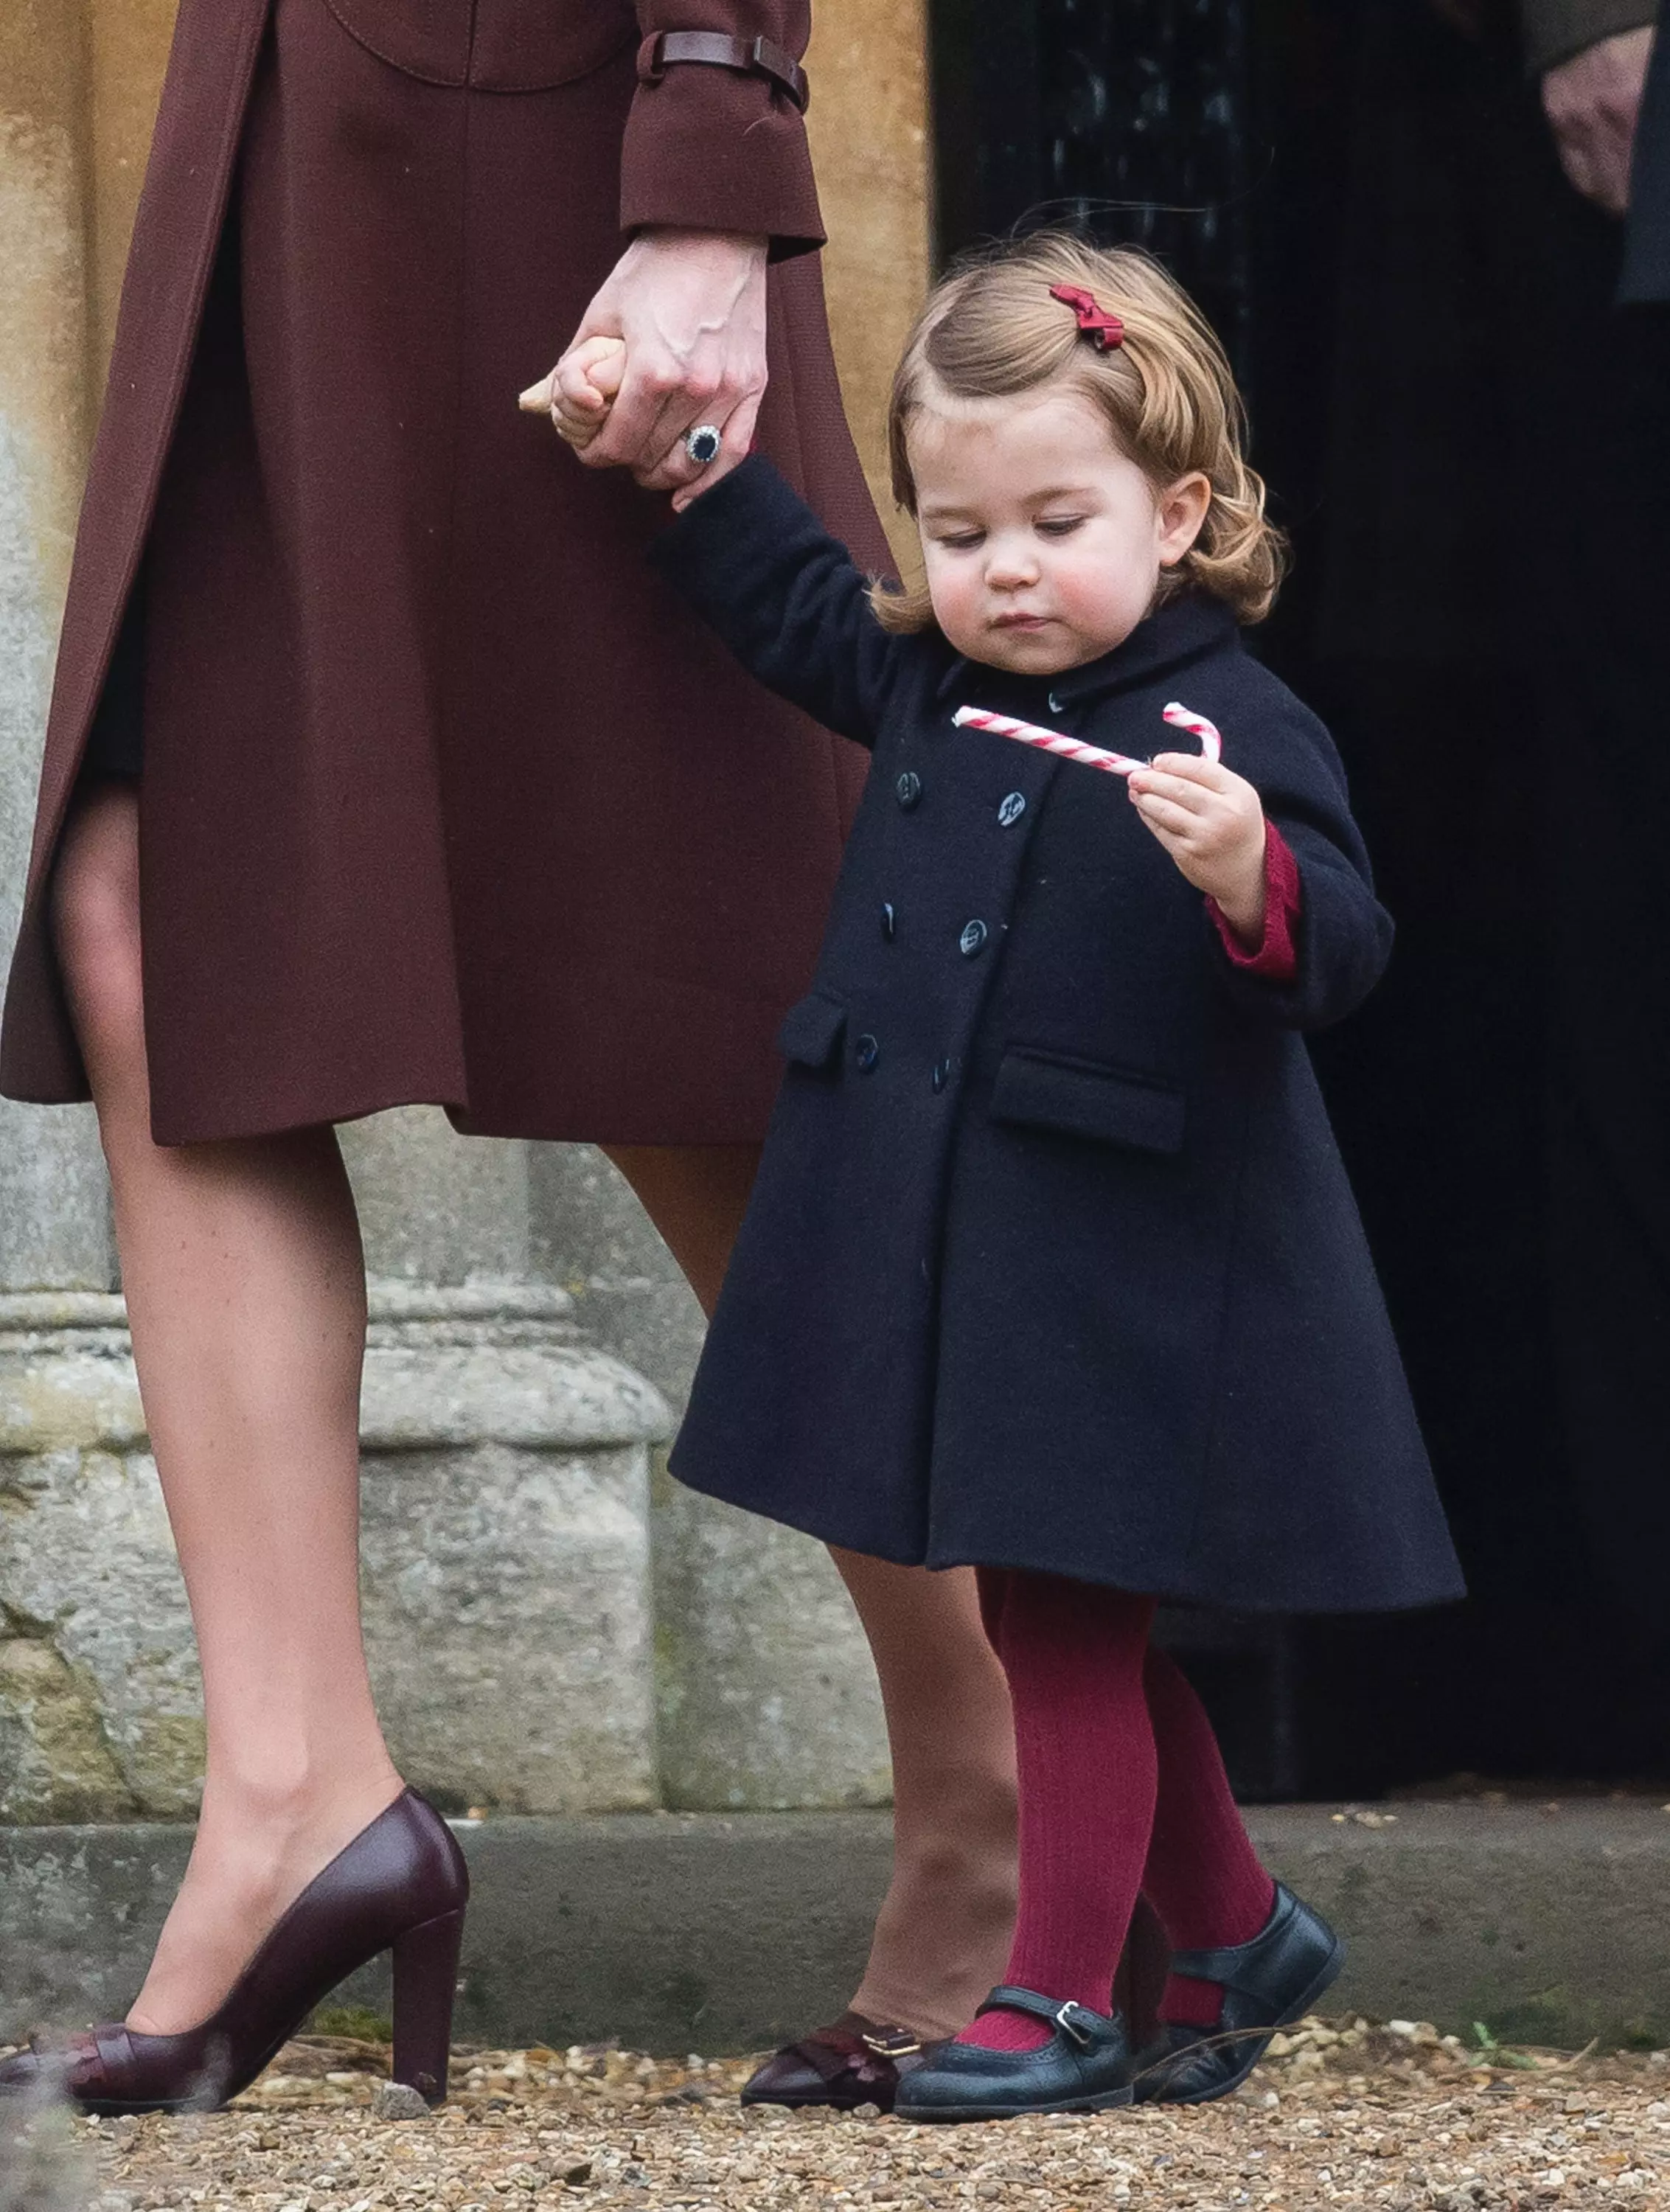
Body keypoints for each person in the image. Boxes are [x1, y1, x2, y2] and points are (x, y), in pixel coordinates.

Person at [0, 0, 1023, 2115]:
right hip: (282, 151)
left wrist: (714, 139)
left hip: (554, 147)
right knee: (151, 925)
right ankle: (294, 1787)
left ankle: (1005, 1775)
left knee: (701, 991)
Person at [558, 232, 1463, 2120]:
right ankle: (1229, 1925)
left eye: (1057, 521)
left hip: (1128, 1262)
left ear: (1181, 507)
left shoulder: (1229, 723)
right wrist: (690, 467)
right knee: (1058, 1609)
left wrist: (1248, 875)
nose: (1008, 572)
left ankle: (1059, 1993)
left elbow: (1348, 945)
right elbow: (808, 614)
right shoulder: (927, 675)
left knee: (1055, 1614)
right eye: (960, 536)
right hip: (960, 1246)